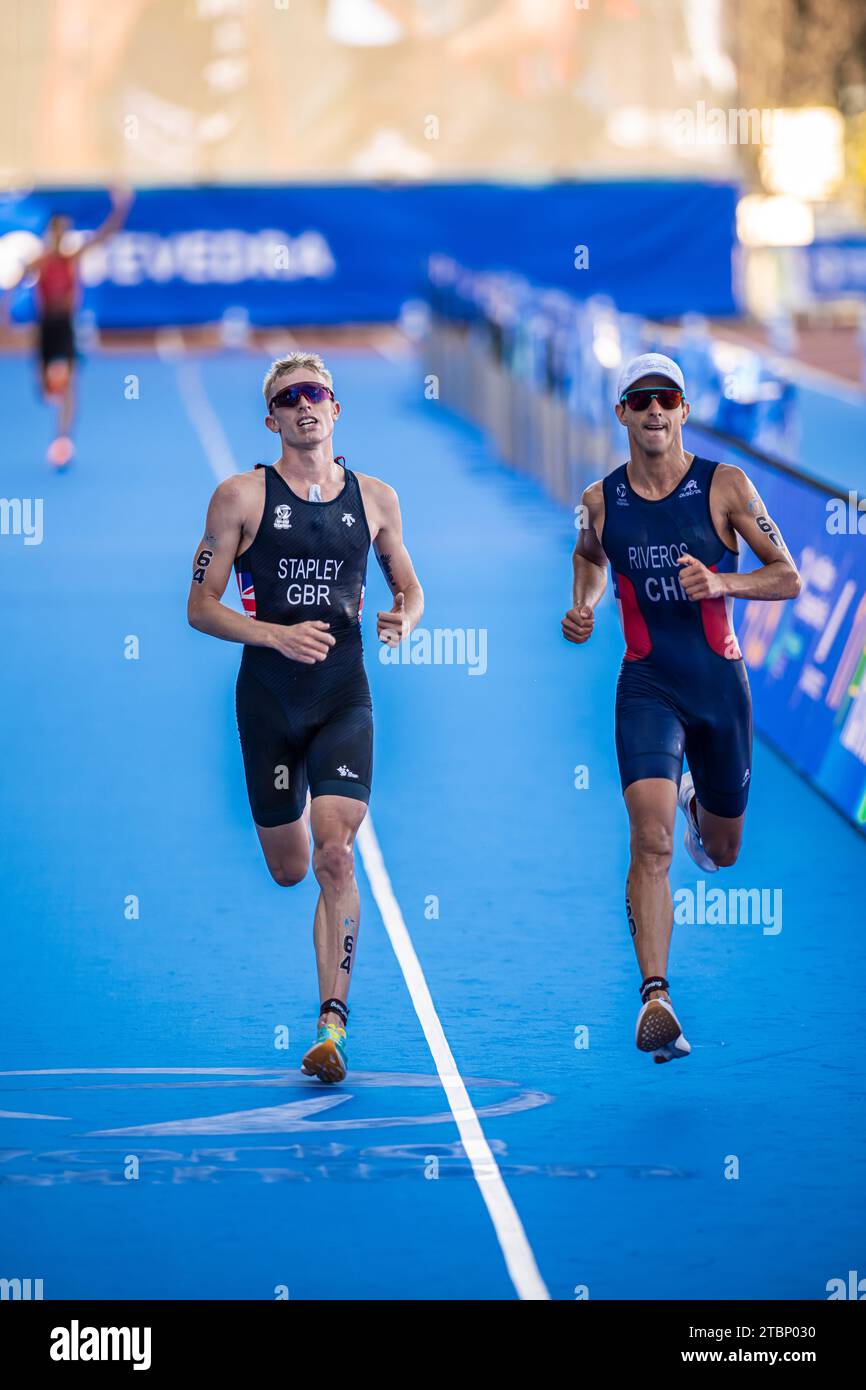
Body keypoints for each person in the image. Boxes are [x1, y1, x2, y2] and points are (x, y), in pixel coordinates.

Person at [187, 351, 423, 1083]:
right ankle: (328, 1003)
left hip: (343, 697)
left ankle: (332, 1024)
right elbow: (199, 607)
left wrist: (403, 619)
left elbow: (410, 587)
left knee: (334, 854)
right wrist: (274, 635)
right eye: (289, 398)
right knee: (291, 869)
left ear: (336, 407)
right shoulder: (240, 498)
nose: (305, 405)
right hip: (268, 702)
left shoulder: (376, 498)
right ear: (272, 419)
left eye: (316, 392)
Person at [562, 353, 800, 1063]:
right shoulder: (601, 500)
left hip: (718, 686)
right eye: (641, 401)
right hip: (647, 685)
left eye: (667, 399)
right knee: (651, 843)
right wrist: (582, 604)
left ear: (685, 410)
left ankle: (699, 803)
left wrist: (724, 585)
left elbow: (786, 577)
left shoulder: (725, 487)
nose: (655, 411)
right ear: (622, 415)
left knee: (721, 852)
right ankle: (656, 997)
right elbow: (588, 555)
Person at [4, 187, 132, 468]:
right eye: (57, 231)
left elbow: (105, 235)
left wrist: (120, 207)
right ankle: (52, 387)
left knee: (69, 381)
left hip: (65, 326)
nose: (61, 236)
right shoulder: (42, 260)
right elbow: (13, 284)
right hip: (45, 327)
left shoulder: (73, 258)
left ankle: (62, 440)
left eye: (65, 231)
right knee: (46, 389)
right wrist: (6, 314)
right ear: (50, 232)